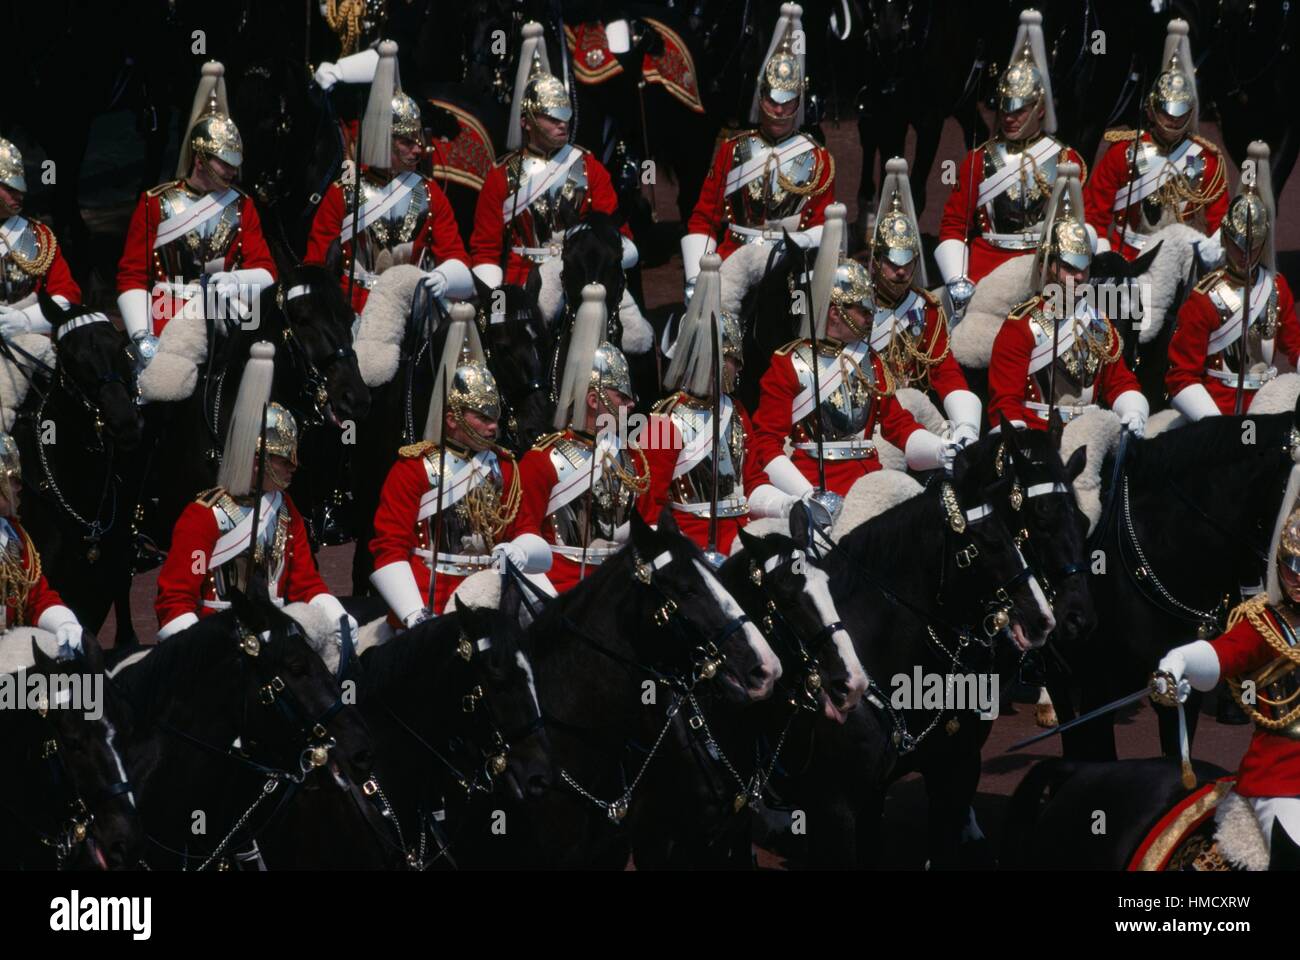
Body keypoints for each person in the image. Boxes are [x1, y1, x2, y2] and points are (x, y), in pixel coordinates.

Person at [750, 204, 957, 517]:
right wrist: (806, 495)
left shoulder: (870, 360)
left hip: (871, 482)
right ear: (836, 311)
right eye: (864, 311)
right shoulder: (789, 362)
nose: (871, 319)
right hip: (816, 482)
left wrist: (939, 451)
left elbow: (897, 426)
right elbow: (766, 442)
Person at [154, 342, 354, 641]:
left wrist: (336, 615)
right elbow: (176, 599)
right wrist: (199, 648)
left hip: (278, 638)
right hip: (221, 638)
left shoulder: (285, 509)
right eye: (283, 459)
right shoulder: (204, 516)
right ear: (256, 460)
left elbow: (305, 583)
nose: (293, 467)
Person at [1157, 450, 1300, 867]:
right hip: (1282, 776)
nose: (1297, 576)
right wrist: (1181, 660)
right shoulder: (1265, 624)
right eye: (1291, 564)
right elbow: (1223, 655)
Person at [369, 305, 550, 624]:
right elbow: (390, 547)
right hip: (431, 595)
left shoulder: (506, 468)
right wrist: (413, 613)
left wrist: (520, 549)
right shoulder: (413, 468)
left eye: (494, 417)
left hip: (492, 593)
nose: (493, 427)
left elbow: (526, 529)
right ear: (452, 420)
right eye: (482, 418)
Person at [116, 62, 276, 362]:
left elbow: (266, 270)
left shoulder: (243, 205)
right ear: (200, 159)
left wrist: (238, 282)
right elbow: (133, 275)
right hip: (168, 316)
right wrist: (141, 335)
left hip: (227, 313)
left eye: (234, 163)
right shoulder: (155, 202)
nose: (231, 171)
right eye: (223, 163)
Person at [515, 283, 668, 592]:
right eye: (622, 396)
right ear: (594, 400)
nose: (632, 404)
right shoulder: (541, 460)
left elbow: (648, 515)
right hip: (563, 585)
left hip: (622, 581)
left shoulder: (633, 456)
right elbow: (524, 531)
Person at [304, 40, 472, 316]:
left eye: (418, 139)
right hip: (354, 308)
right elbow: (317, 266)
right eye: (407, 141)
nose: (418, 148)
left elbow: (455, 256)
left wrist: (444, 277)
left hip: (412, 308)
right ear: (382, 139)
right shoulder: (341, 193)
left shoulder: (430, 193)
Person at [936, 9, 1087, 314]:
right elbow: (955, 224)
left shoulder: (1066, 159)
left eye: (1019, 110)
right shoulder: (978, 160)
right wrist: (957, 277)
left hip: (1043, 268)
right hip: (987, 266)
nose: (1009, 116)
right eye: (1005, 107)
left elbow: (1080, 226)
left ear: (1040, 109)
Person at [680, 2, 834, 302]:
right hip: (734, 258)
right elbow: (704, 217)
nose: (779, 109)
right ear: (760, 97)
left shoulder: (818, 158)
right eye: (773, 100)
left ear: (798, 102)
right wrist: (696, 279)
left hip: (791, 264)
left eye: (787, 102)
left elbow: (823, 225)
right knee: (699, 333)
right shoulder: (731, 150)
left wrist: (795, 246)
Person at [468, 21, 634, 290]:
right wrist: (496, 297)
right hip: (523, 283)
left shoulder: (589, 167)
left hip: (582, 278)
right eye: (552, 117)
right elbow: (486, 249)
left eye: (565, 114)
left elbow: (618, 235)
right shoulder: (501, 176)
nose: (563, 124)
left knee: (635, 333)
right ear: (527, 121)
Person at [987, 164, 1148, 433]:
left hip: (1090, 433)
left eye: (1084, 268)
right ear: (1046, 266)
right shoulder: (1020, 326)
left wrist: (1133, 411)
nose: (1080, 277)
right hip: (1039, 435)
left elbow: (1120, 383)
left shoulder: (1098, 322)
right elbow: (1005, 402)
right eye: (1069, 268)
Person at [642, 253, 769, 556]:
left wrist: (787, 504)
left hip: (743, 535)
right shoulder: (661, 422)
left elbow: (753, 480)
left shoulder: (735, 411)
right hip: (694, 542)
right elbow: (650, 504)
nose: (738, 369)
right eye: (731, 360)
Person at [1165, 142, 1300, 420]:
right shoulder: (1203, 299)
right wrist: (1213, 425)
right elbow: (1181, 375)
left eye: (1253, 245)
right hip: (1219, 406)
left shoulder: (1276, 287)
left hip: (1268, 403)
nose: (1245, 254)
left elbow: (1295, 346)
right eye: (1239, 245)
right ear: (1226, 238)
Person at [1083, 19, 1227, 263]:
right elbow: (1094, 212)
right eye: (1165, 112)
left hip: (1181, 261)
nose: (1171, 120)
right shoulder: (1124, 152)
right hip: (1128, 256)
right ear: (1150, 110)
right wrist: (1105, 257)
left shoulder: (1205, 159)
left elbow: (1220, 224)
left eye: (1179, 113)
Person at [865, 158, 982, 445]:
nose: (901, 271)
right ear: (877, 261)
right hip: (869, 416)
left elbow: (944, 370)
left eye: (908, 262)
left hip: (917, 413)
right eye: (892, 263)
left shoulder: (926, 309)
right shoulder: (855, 306)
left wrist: (966, 424)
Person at [0, 433, 84, 653]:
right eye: (12, 479)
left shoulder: (12, 532)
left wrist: (64, 623)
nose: (19, 487)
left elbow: (36, 596)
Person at [0, 138, 82, 341]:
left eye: (21, 188)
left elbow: (67, 292)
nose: (20, 195)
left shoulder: (39, 236)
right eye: (10, 189)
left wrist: (26, 320)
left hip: (27, 338)